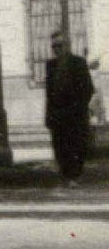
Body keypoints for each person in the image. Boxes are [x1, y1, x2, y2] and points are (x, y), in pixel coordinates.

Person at [45, 30, 95, 185]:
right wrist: (48, 115)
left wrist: (79, 107)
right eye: (54, 46)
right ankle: (66, 176)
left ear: (67, 46)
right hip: (58, 114)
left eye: (60, 45)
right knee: (59, 146)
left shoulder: (78, 63)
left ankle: (74, 176)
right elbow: (49, 94)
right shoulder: (50, 66)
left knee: (77, 146)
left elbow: (88, 88)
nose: (57, 49)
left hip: (75, 113)